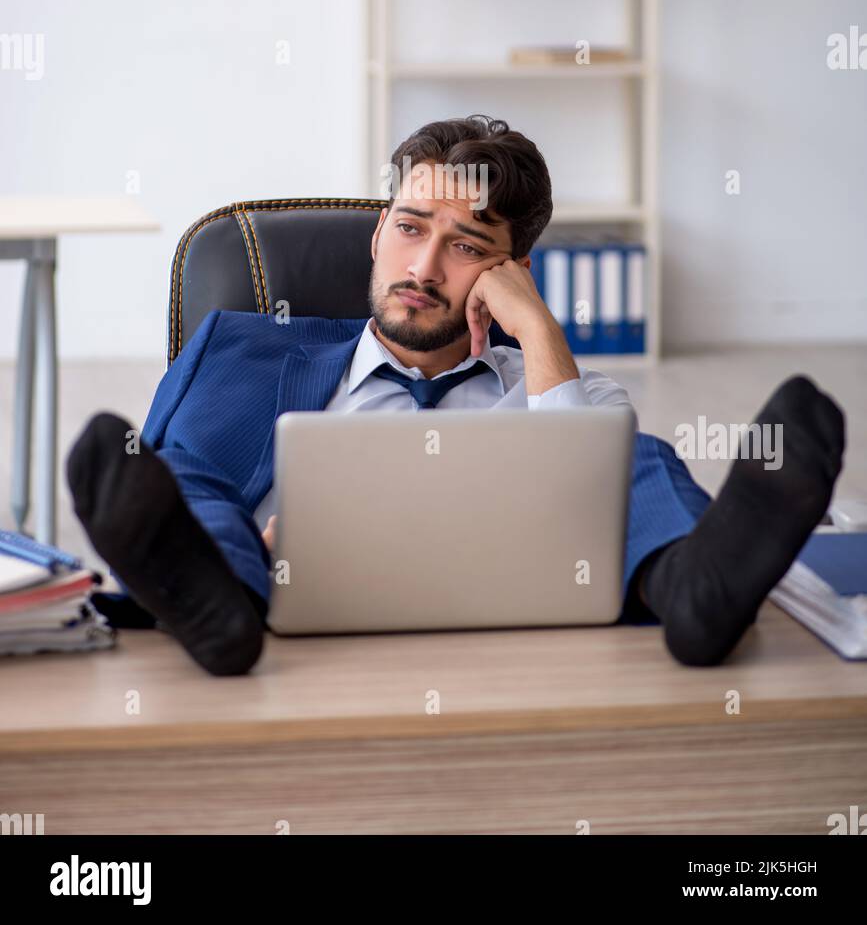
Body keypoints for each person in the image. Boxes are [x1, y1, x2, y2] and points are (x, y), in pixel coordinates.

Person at [66, 116, 845, 676]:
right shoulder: (245, 348)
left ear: (508, 274)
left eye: (466, 246)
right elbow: (191, 470)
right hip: (282, 599)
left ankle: (696, 589)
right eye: (409, 228)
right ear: (376, 235)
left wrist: (537, 333)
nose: (424, 267)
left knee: (627, 457)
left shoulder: (553, 389)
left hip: (519, 638)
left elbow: (589, 499)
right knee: (185, 473)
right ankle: (215, 599)